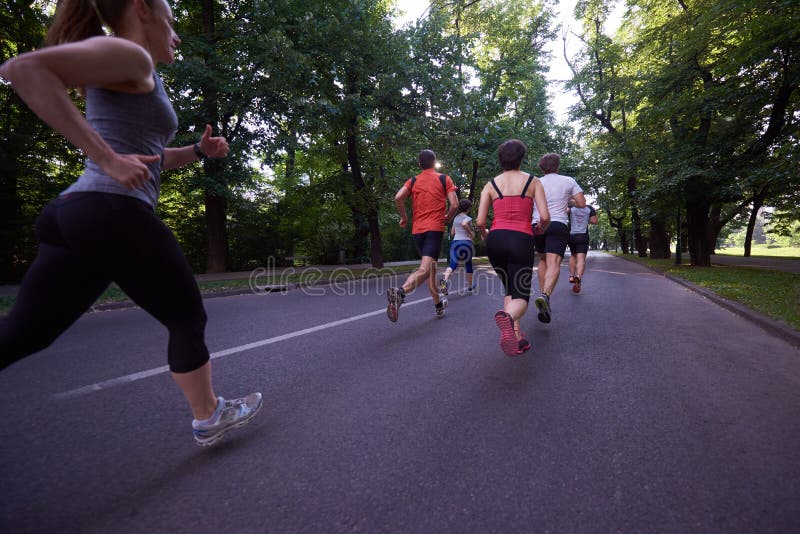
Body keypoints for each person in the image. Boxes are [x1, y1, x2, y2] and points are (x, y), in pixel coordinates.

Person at [0, 0, 262, 447]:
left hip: (76, 214)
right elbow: (21, 69)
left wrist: (199, 153)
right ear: (141, 8)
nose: (176, 33)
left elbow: (151, 160)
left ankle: (209, 413)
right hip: (111, 210)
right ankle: (209, 415)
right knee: (186, 315)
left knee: (27, 333)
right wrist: (106, 157)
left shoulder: (135, 68)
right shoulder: (131, 54)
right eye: (172, 21)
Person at [476, 140, 550, 356]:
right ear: (521, 158)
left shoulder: (490, 185)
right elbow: (545, 216)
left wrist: (485, 236)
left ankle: (515, 336)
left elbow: (480, 222)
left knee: (510, 287)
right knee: (522, 295)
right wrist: (541, 228)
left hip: (496, 239)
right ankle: (508, 318)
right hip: (521, 238)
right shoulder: (533, 181)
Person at [387, 149, 458, 321]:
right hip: (434, 229)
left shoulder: (413, 181)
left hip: (417, 231)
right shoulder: (443, 178)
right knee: (425, 270)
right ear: (434, 163)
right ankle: (400, 293)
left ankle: (438, 306)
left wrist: (404, 218)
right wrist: (447, 217)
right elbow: (455, 204)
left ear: (420, 164)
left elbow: (398, 198)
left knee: (430, 271)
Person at [531, 153, 585, 323]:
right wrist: (568, 201)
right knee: (553, 262)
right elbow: (582, 203)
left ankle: (543, 294)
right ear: (558, 166)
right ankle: (545, 295)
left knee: (542, 261)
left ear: (541, 167)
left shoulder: (534, 182)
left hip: (537, 224)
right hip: (557, 224)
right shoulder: (568, 181)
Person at [439, 198, 476, 295]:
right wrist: (471, 234)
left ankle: (445, 281)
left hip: (455, 242)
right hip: (466, 243)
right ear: (468, 208)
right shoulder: (468, 218)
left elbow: (452, 232)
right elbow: (464, 224)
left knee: (452, 264)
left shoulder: (455, 218)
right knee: (468, 264)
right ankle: (470, 287)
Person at [567, 201, 598, 293]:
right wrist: (585, 218)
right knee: (581, 259)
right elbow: (595, 221)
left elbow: (564, 213)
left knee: (573, 255)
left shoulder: (571, 207)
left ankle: (572, 276)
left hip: (571, 235)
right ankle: (578, 276)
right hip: (583, 236)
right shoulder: (589, 208)